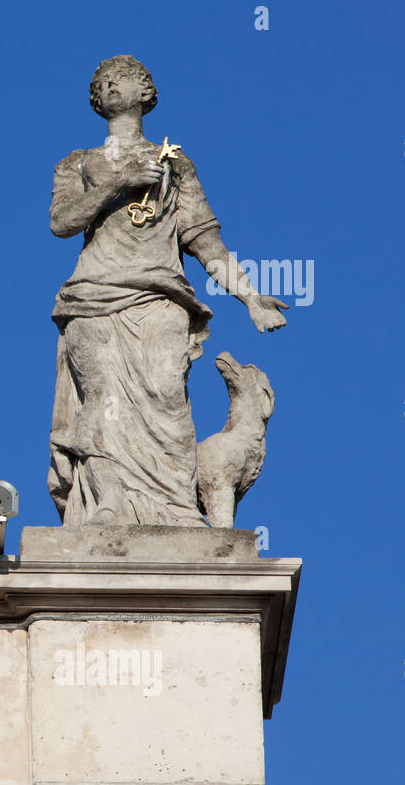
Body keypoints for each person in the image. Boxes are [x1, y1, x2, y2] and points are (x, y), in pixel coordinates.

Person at [47, 55, 288, 526]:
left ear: (146, 91)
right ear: (96, 98)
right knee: (102, 399)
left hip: (161, 298)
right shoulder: (78, 162)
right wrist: (118, 182)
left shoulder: (175, 164)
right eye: (103, 82)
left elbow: (204, 240)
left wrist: (250, 297)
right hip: (94, 298)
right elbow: (61, 222)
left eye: (124, 77)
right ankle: (109, 503)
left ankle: (175, 509)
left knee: (165, 394)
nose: (111, 84)